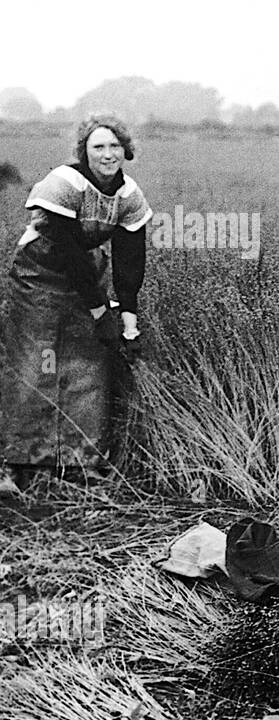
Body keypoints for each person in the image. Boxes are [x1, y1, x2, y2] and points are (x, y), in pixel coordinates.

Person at [0, 115, 151, 496]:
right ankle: (18, 465)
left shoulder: (129, 196)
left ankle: (78, 463)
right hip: (41, 276)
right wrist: (100, 310)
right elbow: (67, 250)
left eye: (114, 146)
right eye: (98, 146)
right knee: (40, 360)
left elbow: (129, 260)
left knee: (88, 366)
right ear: (84, 152)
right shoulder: (64, 184)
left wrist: (127, 322)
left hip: (87, 279)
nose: (107, 154)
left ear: (125, 150)